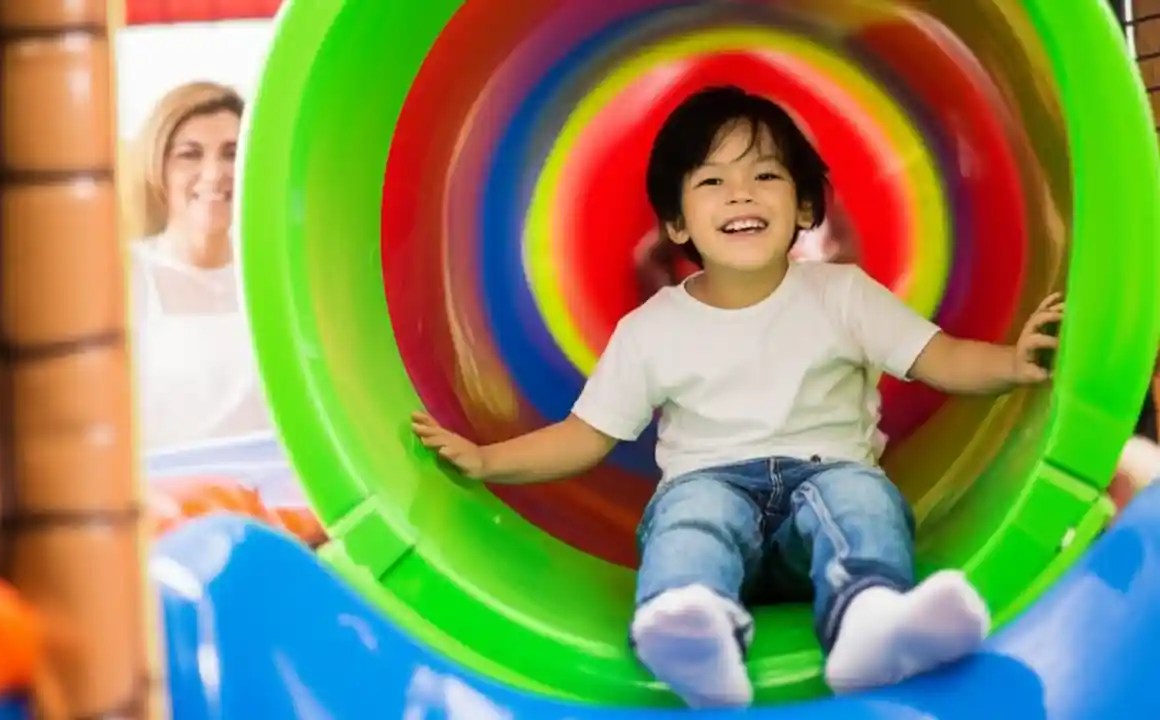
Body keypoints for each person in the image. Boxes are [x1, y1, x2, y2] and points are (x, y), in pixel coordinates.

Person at [411, 86, 1063, 708]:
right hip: (710, 483)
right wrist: (488, 460)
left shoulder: (842, 294)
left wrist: (1013, 362)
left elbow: (939, 356)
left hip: (825, 479)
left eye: (766, 176)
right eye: (711, 182)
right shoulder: (652, 329)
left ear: (806, 208)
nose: (740, 194)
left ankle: (869, 621)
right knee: (690, 517)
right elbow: (586, 435)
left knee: (862, 499)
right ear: (676, 221)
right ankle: (693, 634)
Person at [126, 81, 272, 452]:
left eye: (231, 153)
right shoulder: (125, 275)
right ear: (157, 167)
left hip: (272, 500)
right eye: (190, 155)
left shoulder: (274, 278)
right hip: (168, 502)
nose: (214, 173)